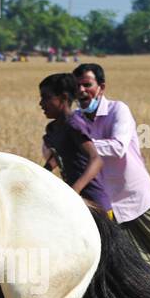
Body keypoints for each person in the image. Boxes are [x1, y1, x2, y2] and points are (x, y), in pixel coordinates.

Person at [69, 63, 150, 287]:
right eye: (76, 86)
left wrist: (82, 147)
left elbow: (118, 146)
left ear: (101, 87)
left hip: (135, 196)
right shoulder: (75, 120)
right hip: (105, 203)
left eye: (87, 85)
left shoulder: (118, 110)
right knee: (136, 262)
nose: (81, 91)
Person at [38, 73, 110, 212]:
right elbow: (58, 157)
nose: (41, 103)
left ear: (64, 98)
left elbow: (96, 159)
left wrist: (74, 191)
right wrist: (41, 173)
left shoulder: (74, 125)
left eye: (46, 98)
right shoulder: (53, 128)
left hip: (95, 204)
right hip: (75, 203)